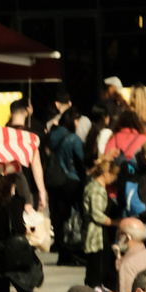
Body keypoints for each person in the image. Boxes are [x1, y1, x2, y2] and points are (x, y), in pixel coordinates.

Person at [44, 110, 86, 264]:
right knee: (79, 217)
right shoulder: (74, 139)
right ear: (72, 120)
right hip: (72, 181)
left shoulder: (52, 135)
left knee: (59, 218)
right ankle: (77, 249)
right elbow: (81, 161)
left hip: (54, 181)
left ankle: (63, 254)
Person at [79, 159, 119, 289]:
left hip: (92, 235)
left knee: (94, 269)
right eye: (114, 175)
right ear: (106, 173)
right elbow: (97, 214)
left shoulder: (90, 185)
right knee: (98, 271)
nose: (114, 179)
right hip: (97, 236)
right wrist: (114, 222)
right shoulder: (97, 190)